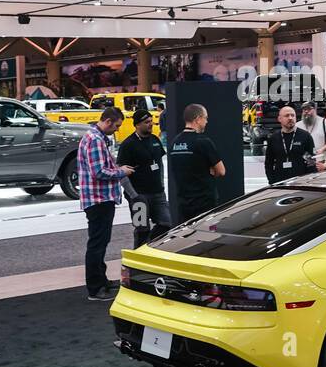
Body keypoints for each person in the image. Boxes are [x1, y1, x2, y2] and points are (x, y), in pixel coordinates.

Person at [77, 106, 134, 301]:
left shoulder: (96, 138)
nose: (117, 130)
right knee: (97, 244)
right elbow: (99, 172)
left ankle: (101, 280)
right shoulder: (94, 140)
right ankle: (95, 288)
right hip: (98, 199)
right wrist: (121, 172)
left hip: (98, 198)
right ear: (108, 121)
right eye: (116, 125)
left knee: (99, 242)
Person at [116, 108, 171, 247]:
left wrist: (161, 184)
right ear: (137, 124)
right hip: (138, 195)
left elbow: (159, 164)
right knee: (141, 229)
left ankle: (149, 244)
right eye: (147, 122)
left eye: (152, 121)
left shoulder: (155, 140)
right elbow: (121, 173)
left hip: (158, 193)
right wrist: (134, 195)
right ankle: (139, 254)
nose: (151, 124)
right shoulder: (128, 144)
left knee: (167, 223)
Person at [171, 103, 225, 221]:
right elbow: (221, 171)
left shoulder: (175, 142)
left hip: (183, 202)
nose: (206, 122)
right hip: (204, 202)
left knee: (187, 236)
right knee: (208, 234)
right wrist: (209, 171)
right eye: (205, 118)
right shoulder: (203, 141)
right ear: (198, 119)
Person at [264, 106, 318, 184]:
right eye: (287, 115)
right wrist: (271, 181)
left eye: (292, 115)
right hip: (279, 182)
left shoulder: (305, 136)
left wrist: (309, 181)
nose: (290, 118)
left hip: (301, 181)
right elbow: (269, 163)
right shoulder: (273, 138)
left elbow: (311, 161)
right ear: (279, 119)